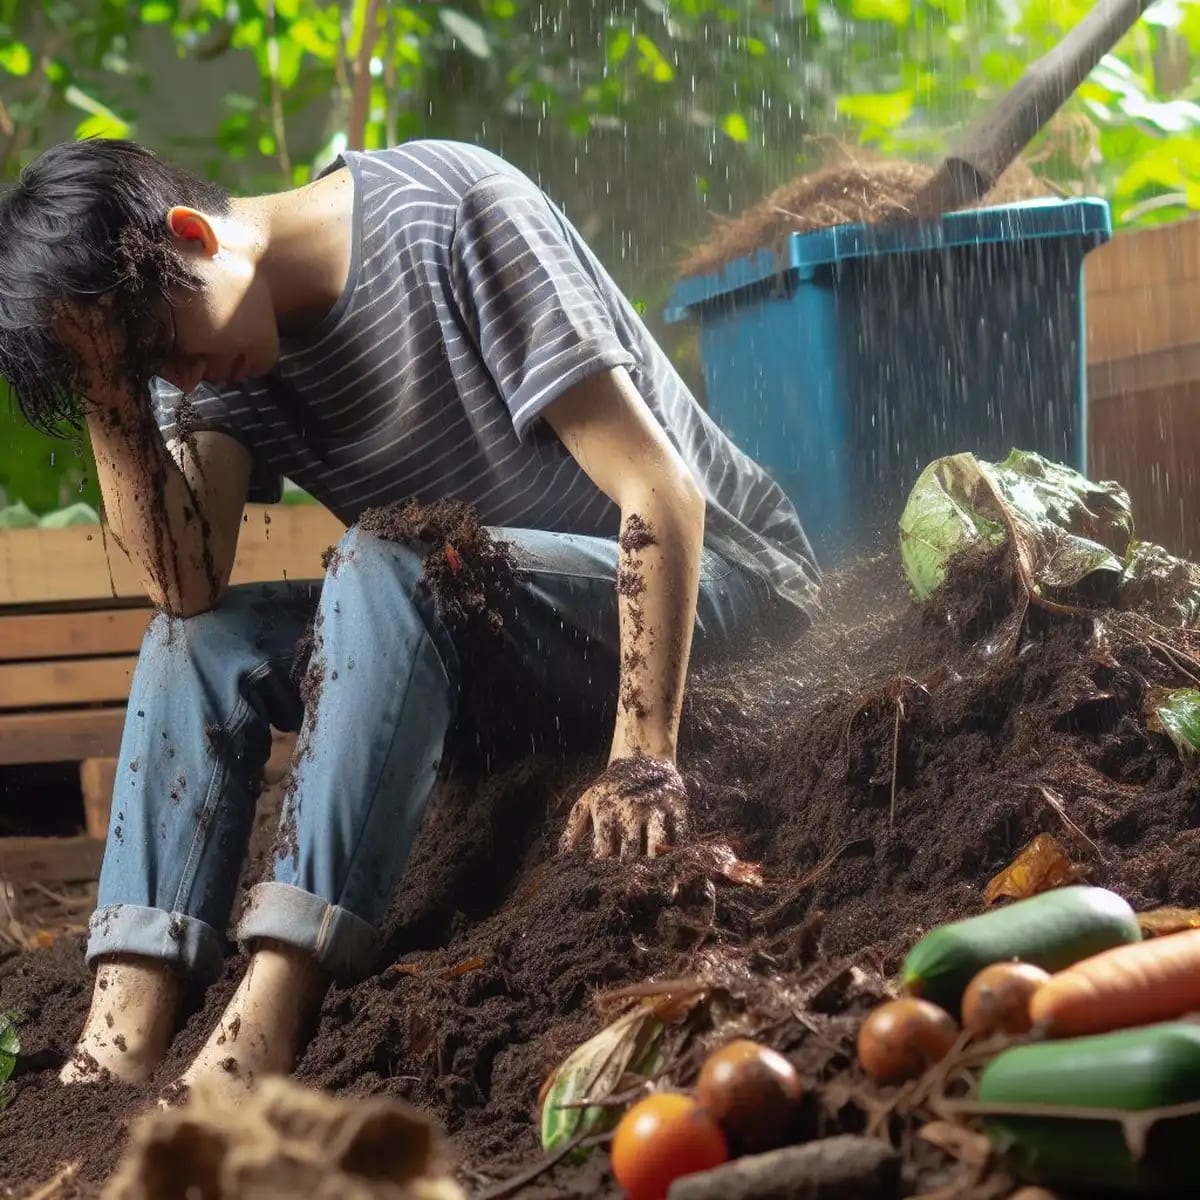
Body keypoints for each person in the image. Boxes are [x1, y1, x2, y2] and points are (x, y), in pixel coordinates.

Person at [0, 137, 820, 1100]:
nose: (178, 381)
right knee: (199, 642)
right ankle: (121, 1031)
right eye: (147, 376)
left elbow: (661, 490)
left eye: (164, 350)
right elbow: (185, 588)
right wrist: (107, 389)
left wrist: (642, 755)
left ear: (192, 236)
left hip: (720, 589)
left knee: (391, 558)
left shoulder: (448, 209)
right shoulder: (211, 365)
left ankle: (271, 1008)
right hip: (499, 644)